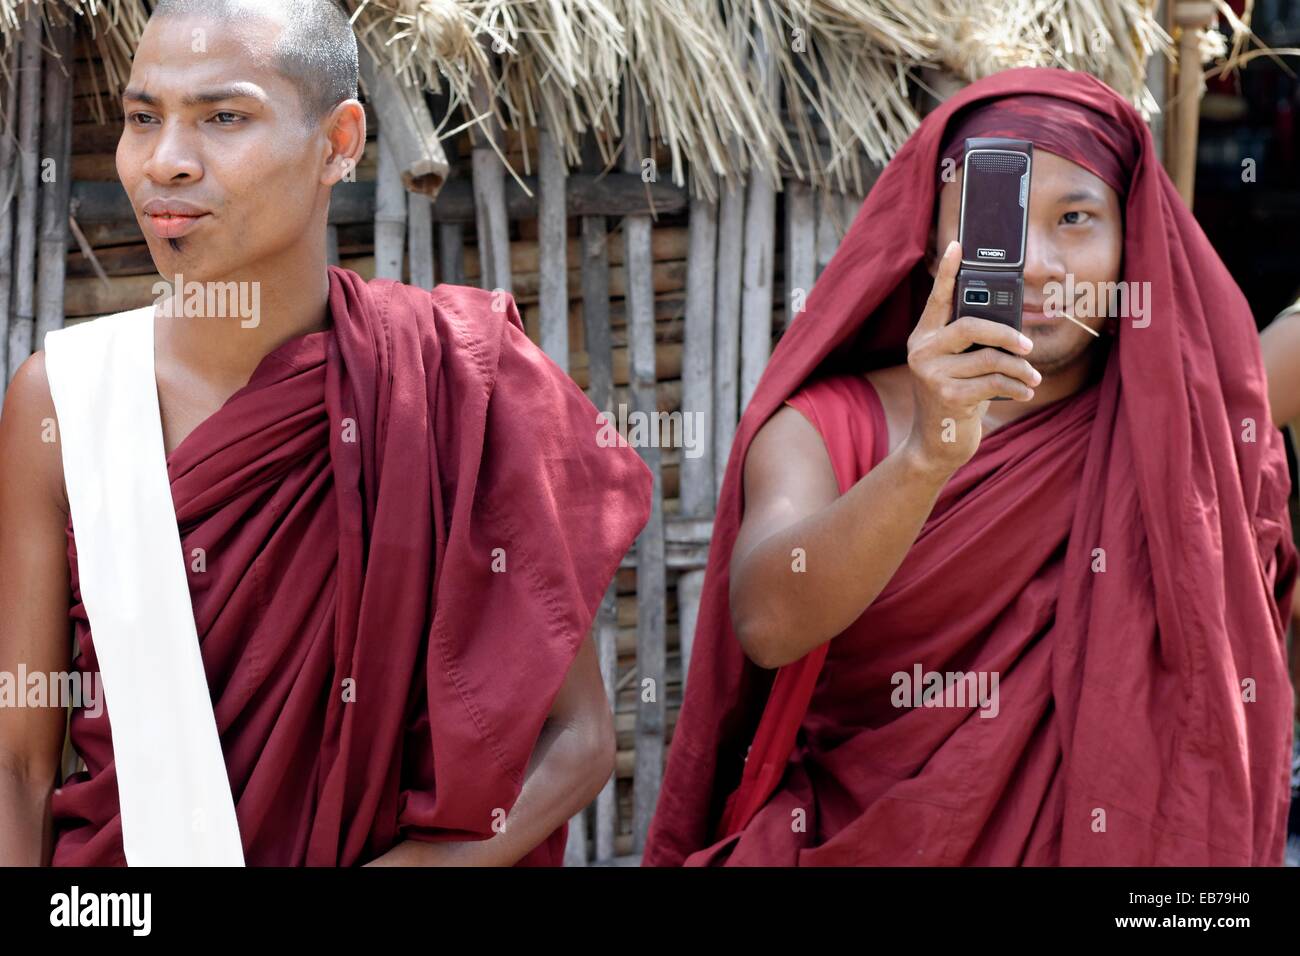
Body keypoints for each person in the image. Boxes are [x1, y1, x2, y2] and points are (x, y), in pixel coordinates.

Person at [0, 0, 652, 866]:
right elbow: (18, 764)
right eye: (142, 119)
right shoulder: (66, 402)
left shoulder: (452, 378)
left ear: (339, 143)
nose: (166, 162)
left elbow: (576, 742)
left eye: (223, 117)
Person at [644, 66, 1297, 866]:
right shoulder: (827, 424)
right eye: (997, 221)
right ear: (927, 243)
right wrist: (925, 458)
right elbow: (767, 625)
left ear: (1133, 242)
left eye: (1076, 218)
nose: (1034, 263)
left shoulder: (1180, 434)